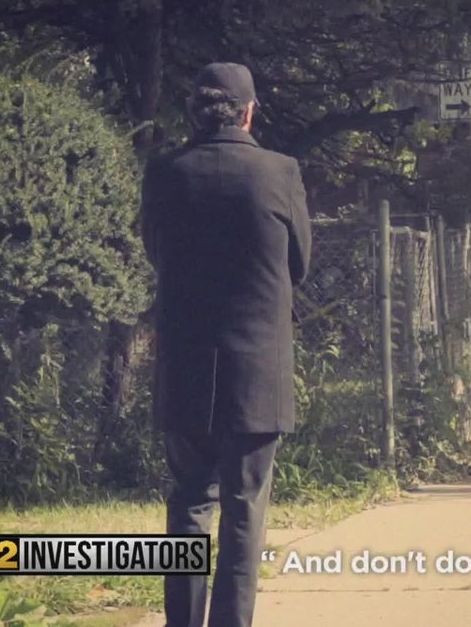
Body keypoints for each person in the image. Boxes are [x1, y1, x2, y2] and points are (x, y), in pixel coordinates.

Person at [140, 62, 312, 627]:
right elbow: (300, 264)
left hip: (187, 363)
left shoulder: (165, 173)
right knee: (244, 509)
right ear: (249, 111)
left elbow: (154, 249)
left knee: (188, 501)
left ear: (194, 111)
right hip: (258, 367)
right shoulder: (279, 172)